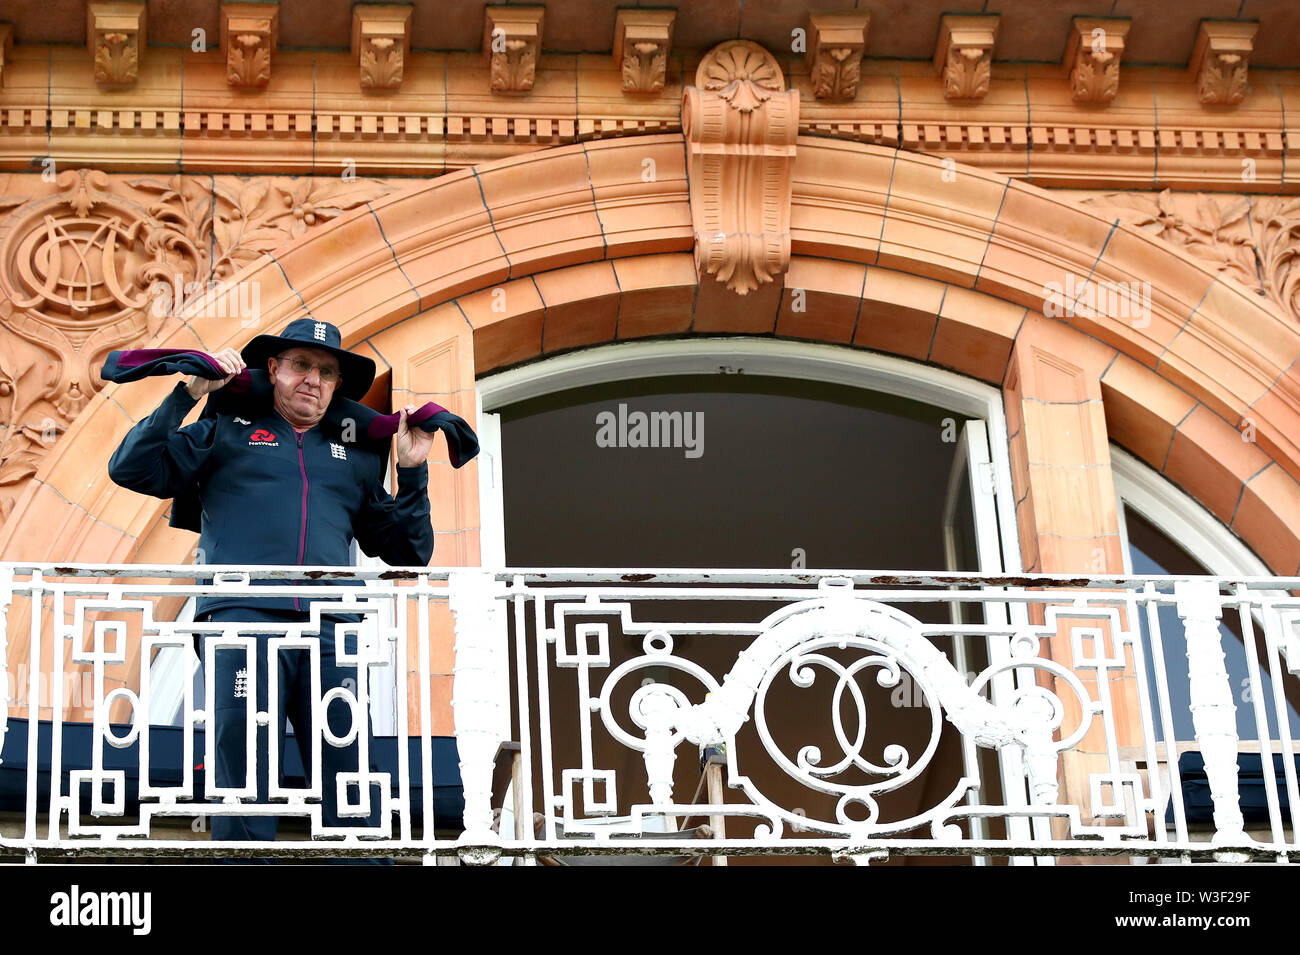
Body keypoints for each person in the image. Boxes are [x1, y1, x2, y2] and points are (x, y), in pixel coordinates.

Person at [108, 318, 434, 861]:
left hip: (331, 630)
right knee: (243, 751)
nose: (314, 380)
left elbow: (409, 552)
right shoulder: (226, 427)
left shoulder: (355, 456)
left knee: (348, 761)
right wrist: (189, 392)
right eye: (302, 365)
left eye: (327, 373)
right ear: (275, 370)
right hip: (243, 616)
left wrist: (413, 472)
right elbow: (133, 468)